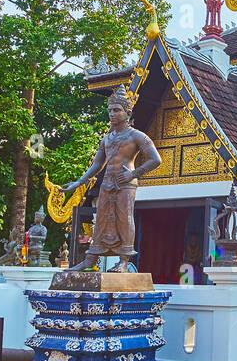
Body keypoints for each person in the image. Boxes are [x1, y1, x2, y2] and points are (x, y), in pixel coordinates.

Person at [59, 87, 161, 270]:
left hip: (126, 182)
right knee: (101, 220)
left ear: (127, 113)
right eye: (110, 110)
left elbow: (156, 160)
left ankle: (123, 261)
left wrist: (133, 174)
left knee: (124, 218)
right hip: (107, 182)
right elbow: (96, 165)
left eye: (117, 110)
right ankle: (91, 258)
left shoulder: (137, 136)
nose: (112, 114)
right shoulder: (106, 139)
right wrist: (78, 182)